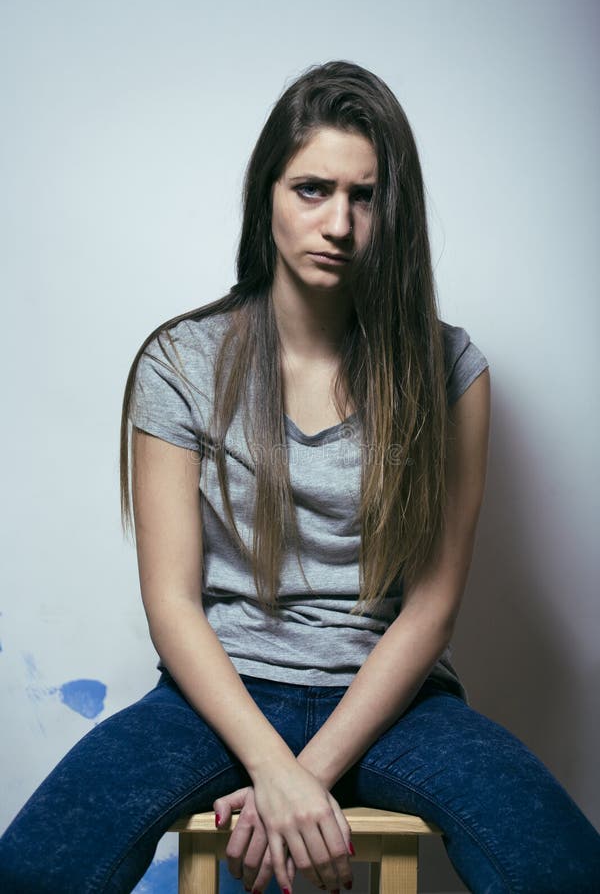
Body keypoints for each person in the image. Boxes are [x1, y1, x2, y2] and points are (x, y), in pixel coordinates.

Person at [1, 60, 599, 894]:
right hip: (220, 695)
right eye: (312, 189)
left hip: (394, 700)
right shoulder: (179, 363)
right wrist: (267, 763)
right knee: (34, 866)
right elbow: (172, 604)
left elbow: (430, 608)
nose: (341, 223)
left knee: (565, 866)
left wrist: (302, 775)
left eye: (365, 195)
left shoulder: (452, 370)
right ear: (268, 198)